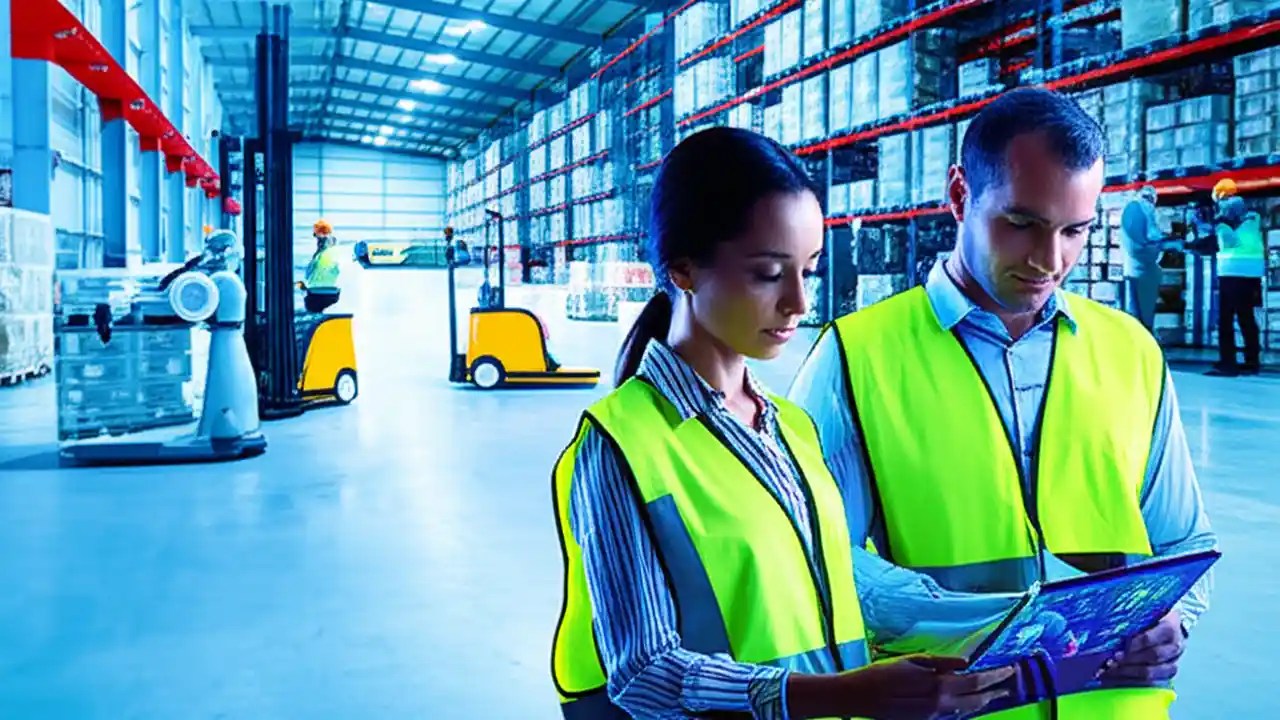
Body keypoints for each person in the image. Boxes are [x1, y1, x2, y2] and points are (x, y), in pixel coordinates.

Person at [550, 127, 1014, 719]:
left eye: (809, 270)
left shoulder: (791, 427)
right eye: (770, 273)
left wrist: (1014, 616)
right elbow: (644, 673)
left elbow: (842, 589)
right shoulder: (621, 444)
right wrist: (845, 694)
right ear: (684, 268)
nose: (799, 302)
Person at [789, 88, 1218, 719]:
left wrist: (1171, 620)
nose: (1051, 261)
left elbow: (1185, 538)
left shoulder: (1132, 352)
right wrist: (979, 621)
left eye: (1076, 231)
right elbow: (814, 555)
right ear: (960, 195)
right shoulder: (855, 357)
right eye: (1022, 225)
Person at [1206, 178, 1265, 376]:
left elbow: (1228, 242)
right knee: (1246, 317)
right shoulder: (1251, 215)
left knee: (1225, 318)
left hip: (1233, 271)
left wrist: (1196, 243)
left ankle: (1228, 363)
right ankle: (1252, 361)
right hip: (1252, 272)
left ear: (1220, 196)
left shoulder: (1226, 213)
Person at [1120, 185, 1183, 331]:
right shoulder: (1146, 208)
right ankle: (1146, 342)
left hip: (1129, 269)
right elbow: (1152, 234)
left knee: (1133, 311)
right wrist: (1170, 239)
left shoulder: (1129, 209)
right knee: (1146, 312)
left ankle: (1136, 342)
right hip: (1145, 271)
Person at [302, 219, 342, 313]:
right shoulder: (323, 253)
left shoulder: (326, 253)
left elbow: (311, 273)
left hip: (320, 294)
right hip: (321, 293)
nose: (315, 238)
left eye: (316, 234)